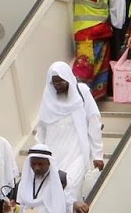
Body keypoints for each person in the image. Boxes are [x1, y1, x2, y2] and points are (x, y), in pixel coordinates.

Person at [34, 62, 103, 195]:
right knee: (54, 192)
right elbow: (41, 131)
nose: (58, 85)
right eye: (55, 82)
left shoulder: (81, 92)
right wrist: (38, 154)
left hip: (77, 153)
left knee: (71, 188)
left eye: (61, 81)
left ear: (68, 78)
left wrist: (97, 155)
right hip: (54, 155)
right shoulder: (48, 99)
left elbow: (94, 123)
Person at [4, 146, 88, 213]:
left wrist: (76, 205)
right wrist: (11, 208)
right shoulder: (25, 181)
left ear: (49, 163)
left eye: (40, 164)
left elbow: (69, 203)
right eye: (33, 164)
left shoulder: (61, 180)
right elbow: (19, 206)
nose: (36, 168)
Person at [70, 0, 112, 100]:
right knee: (84, 70)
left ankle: (91, 99)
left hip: (100, 31)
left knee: (97, 70)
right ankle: (77, 99)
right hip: (87, 33)